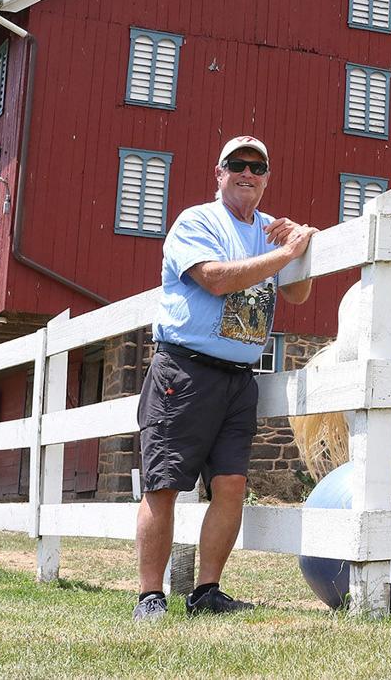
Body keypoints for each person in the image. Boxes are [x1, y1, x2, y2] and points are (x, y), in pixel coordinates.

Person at [133, 136, 316, 622]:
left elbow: (296, 294)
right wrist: (285, 254)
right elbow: (214, 278)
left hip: (240, 377)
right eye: (238, 164)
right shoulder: (196, 221)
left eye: (258, 167)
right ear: (220, 172)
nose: (248, 173)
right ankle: (151, 596)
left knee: (231, 485)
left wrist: (301, 248)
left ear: (267, 177)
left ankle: (206, 591)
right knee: (165, 483)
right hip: (186, 368)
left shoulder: (271, 229)